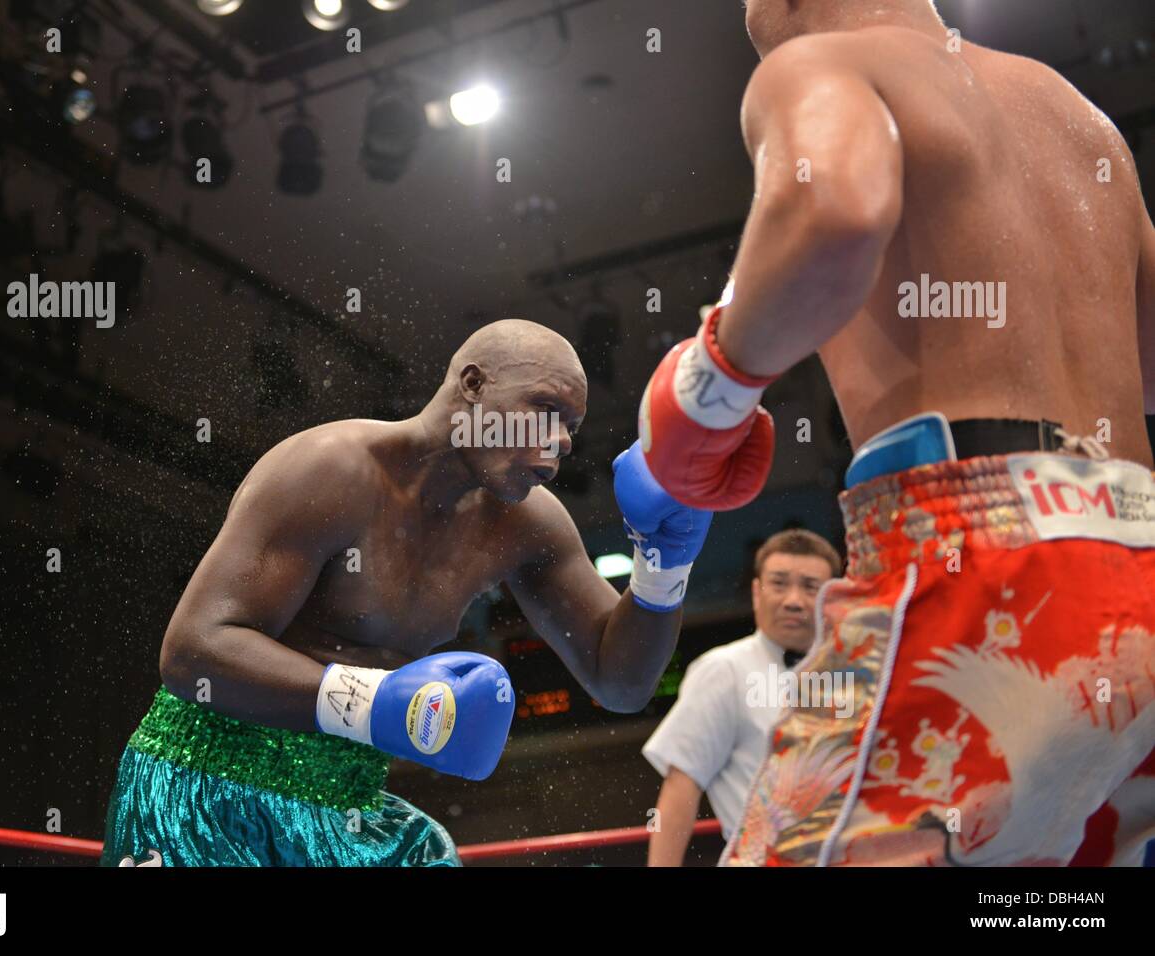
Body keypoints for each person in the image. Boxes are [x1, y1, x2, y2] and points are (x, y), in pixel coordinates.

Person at [635, 0, 1155, 865]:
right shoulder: (1073, 113)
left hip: (974, 565)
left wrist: (712, 387)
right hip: (1138, 554)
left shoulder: (818, 66)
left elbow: (834, 210)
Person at [101, 319, 747, 866]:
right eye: (544, 410)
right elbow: (193, 652)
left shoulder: (526, 521)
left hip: (345, 803)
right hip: (205, 783)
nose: (558, 444)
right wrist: (376, 701)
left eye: (571, 428)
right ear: (471, 384)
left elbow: (621, 682)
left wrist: (662, 565)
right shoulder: (332, 469)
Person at [643, 530, 840, 866]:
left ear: (833, 599)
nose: (794, 600)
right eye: (779, 583)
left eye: (810, 587)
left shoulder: (862, 669)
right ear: (756, 592)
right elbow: (682, 786)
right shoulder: (725, 670)